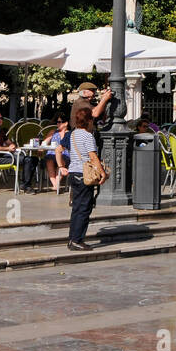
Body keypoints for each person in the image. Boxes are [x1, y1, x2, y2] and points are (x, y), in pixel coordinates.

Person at [66, 105, 106, 251]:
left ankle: (72, 238)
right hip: (84, 174)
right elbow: (93, 157)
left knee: (76, 207)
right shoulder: (88, 136)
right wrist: (102, 173)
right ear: (89, 121)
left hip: (73, 173)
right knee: (84, 208)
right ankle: (77, 240)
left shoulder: (74, 134)